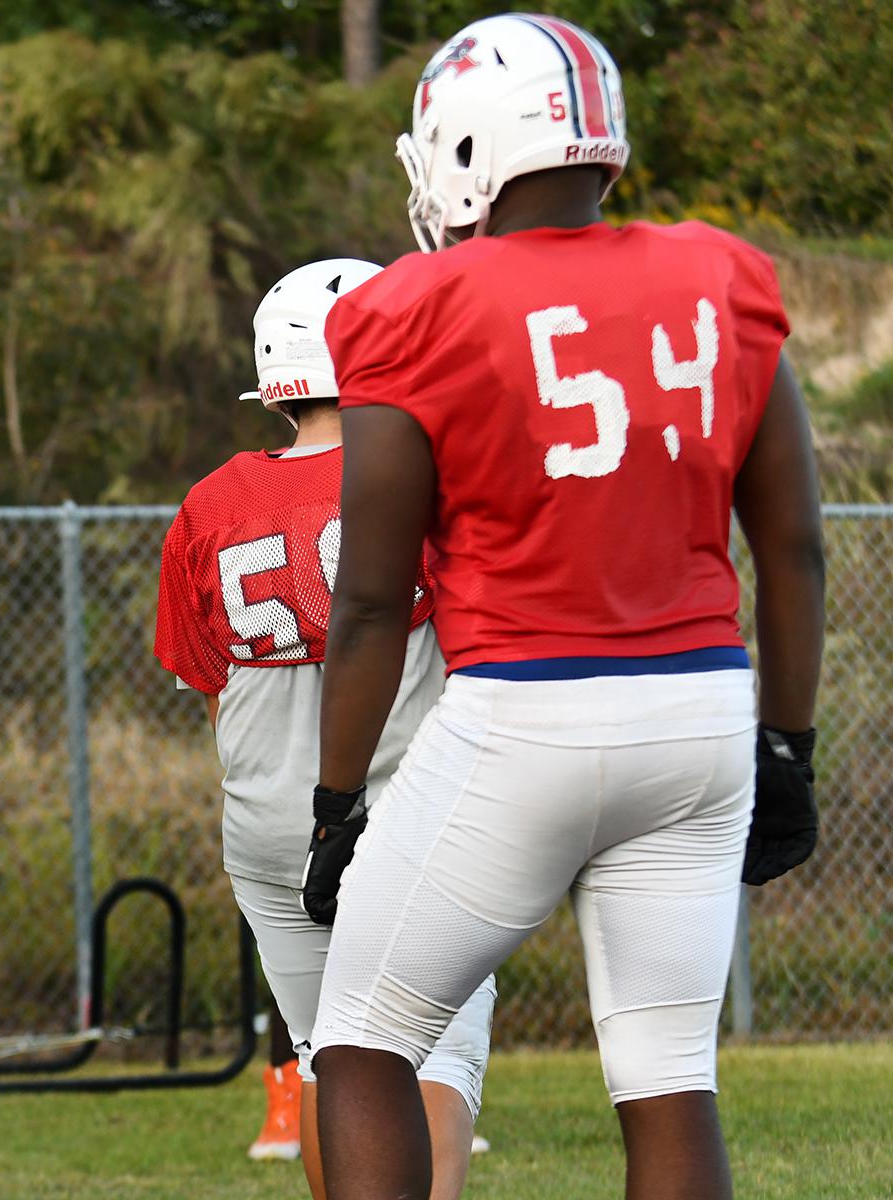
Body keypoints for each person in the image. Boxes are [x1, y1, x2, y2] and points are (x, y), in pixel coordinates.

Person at [308, 15, 826, 1200]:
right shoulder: (721, 274)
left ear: (466, 145)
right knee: (666, 1071)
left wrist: (338, 804)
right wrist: (789, 744)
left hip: (526, 712)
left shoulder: (417, 304)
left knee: (364, 1034)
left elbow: (376, 600)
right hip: (702, 709)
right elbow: (793, 547)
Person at [154, 261, 494, 1199]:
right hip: (401, 806)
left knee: (326, 1058)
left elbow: (210, 684)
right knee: (434, 1053)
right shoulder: (423, 475)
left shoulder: (210, 502)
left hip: (266, 815)